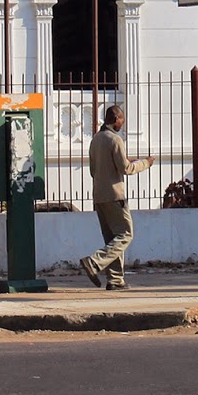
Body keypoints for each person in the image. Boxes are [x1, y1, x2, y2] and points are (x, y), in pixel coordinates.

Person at [80, 105, 155, 291]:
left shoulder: (96, 140)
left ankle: (115, 280)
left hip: (99, 196)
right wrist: (145, 163)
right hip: (115, 195)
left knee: (112, 239)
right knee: (125, 235)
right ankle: (94, 262)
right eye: (122, 120)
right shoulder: (115, 139)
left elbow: (93, 170)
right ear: (117, 119)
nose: (123, 123)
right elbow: (126, 169)